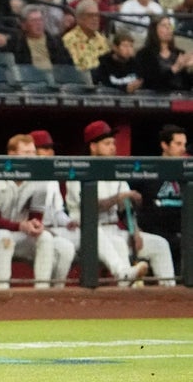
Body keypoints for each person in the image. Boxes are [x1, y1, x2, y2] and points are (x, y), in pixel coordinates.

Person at [64, 120, 175, 286]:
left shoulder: (115, 171)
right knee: (112, 240)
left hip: (113, 229)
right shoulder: (77, 172)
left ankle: (170, 292)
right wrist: (118, 198)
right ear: (93, 147)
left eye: (113, 143)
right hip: (85, 232)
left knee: (160, 244)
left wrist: (135, 230)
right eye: (107, 143)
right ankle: (123, 278)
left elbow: (125, 210)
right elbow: (90, 208)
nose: (113, 147)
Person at [0, 133, 76, 289]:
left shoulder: (40, 180)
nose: (31, 157)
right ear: (12, 154)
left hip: (19, 235)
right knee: (4, 237)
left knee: (45, 237)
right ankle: (1, 290)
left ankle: (42, 290)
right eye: (26, 153)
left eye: (33, 153)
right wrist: (21, 226)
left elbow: (35, 216)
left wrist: (35, 225)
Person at [131, 124, 186, 276]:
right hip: (154, 233)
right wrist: (136, 226)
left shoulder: (186, 171)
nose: (183, 148)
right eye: (178, 144)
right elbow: (129, 196)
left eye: (184, 144)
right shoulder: (149, 168)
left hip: (180, 233)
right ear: (164, 145)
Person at [139, 15, 193, 92]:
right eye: (163, 25)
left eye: (169, 25)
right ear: (154, 30)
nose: (168, 28)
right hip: (157, 99)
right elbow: (151, 83)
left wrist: (189, 69)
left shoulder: (179, 53)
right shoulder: (145, 54)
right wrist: (174, 68)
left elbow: (188, 85)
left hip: (181, 98)